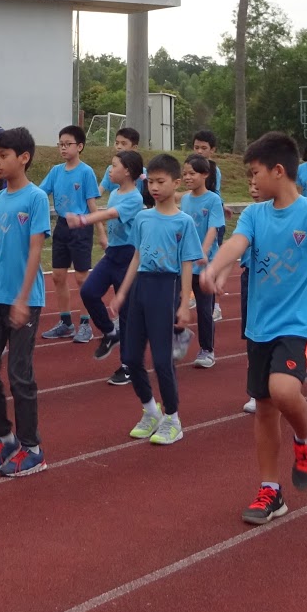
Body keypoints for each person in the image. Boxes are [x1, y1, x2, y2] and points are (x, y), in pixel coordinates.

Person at [200, 132, 307, 524]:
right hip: (260, 326)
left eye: (255, 173)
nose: (251, 181)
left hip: (300, 324)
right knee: (263, 409)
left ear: (278, 171)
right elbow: (237, 244)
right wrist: (215, 266)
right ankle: (270, 490)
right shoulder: (254, 215)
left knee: (283, 390)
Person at [0, 127, 49, 478]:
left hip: (23, 299)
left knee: (19, 375)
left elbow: (35, 250)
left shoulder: (36, 198)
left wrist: (22, 298)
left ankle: (33, 448)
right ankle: (6, 437)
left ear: (24, 158)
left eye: (3, 156)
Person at [107, 154, 200, 445]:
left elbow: (187, 263)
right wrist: (122, 293)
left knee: (162, 361)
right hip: (140, 289)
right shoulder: (143, 218)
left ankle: (173, 418)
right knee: (131, 357)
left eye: (161, 182)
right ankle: (150, 411)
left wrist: (184, 303)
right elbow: (137, 256)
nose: (155, 188)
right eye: (152, 182)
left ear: (176, 183)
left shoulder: (184, 222)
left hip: (165, 288)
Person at [77, 149, 147, 386]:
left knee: (127, 314)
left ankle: (128, 366)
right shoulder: (115, 192)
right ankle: (109, 332)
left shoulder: (135, 198)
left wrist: (84, 219)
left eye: (114, 165)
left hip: (128, 256)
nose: (109, 169)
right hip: (112, 255)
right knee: (88, 291)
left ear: (127, 171)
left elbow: (110, 214)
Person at [39, 125, 102, 343]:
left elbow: (92, 205)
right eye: (61, 144)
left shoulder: (86, 172)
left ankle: (85, 323)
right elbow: (40, 193)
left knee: (82, 277)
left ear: (80, 146)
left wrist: (101, 233)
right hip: (62, 225)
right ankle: (66, 322)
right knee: (58, 275)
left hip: (82, 227)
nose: (63, 148)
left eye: (68, 144)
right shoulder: (56, 171)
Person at [179, 154, 225, 368]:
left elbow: (213, 228)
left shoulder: (213, 200)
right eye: (185, 173)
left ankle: (207, 349)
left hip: (206, 265)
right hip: (185, 263)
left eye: (192, 173)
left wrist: (203, 252)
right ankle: (179, 335)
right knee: (174, 303)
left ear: (205, 174)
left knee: (204, 310)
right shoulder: (185, 199)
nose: (187, 177)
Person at [98, 126, 142, 193]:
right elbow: (99, 191)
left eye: (123, 144)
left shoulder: (142, 172)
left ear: (134, 148)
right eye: (117, 143)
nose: (119, 147)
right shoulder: (110, 170)